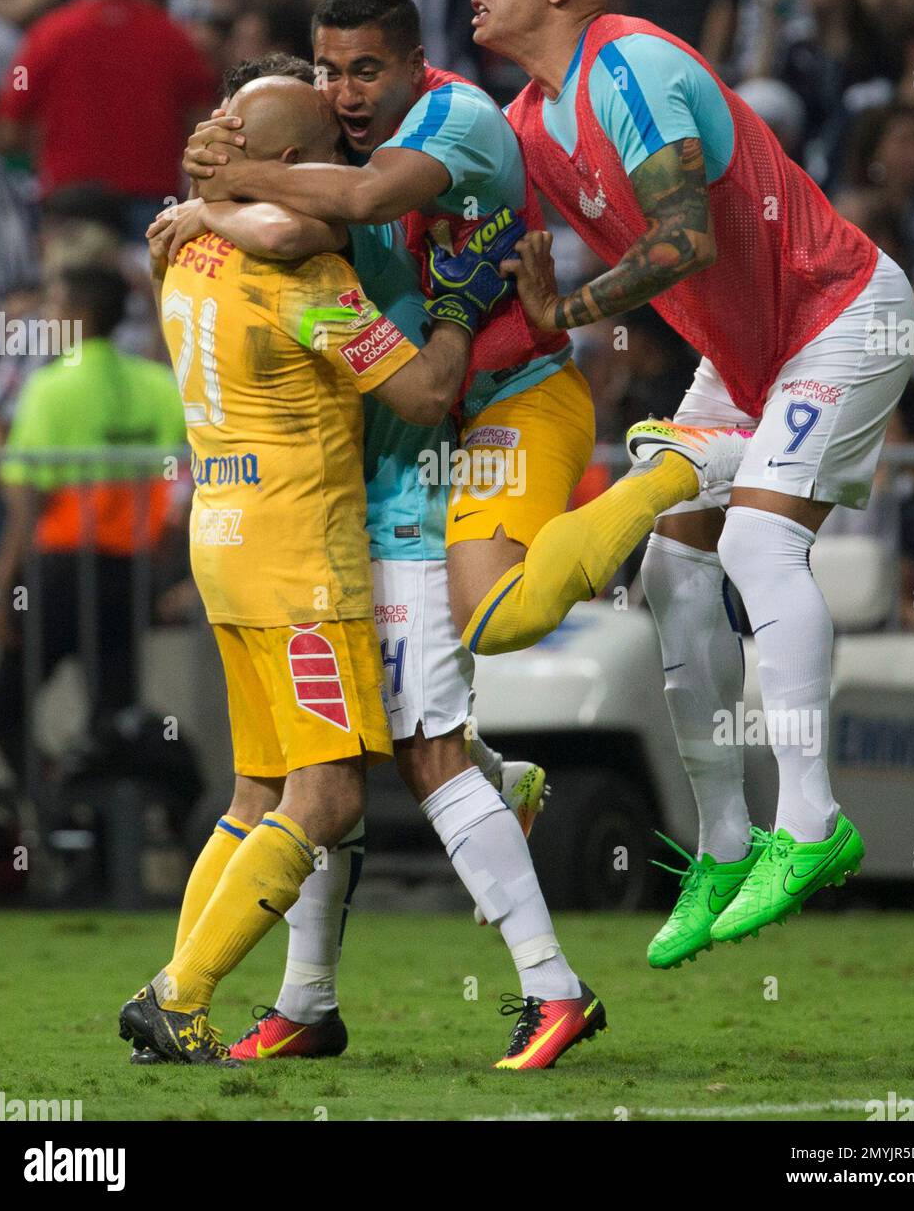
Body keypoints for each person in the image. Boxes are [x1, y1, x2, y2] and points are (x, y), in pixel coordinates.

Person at [467, 0, 914, 963]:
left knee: (760, 543)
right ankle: (721, 840)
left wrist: (566, 317)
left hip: (840, 310)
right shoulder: (533, 117)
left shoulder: (625, 64)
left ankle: (810, 821)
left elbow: (684, 237)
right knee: (671, 575)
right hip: (752, 351)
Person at [150, 57, 608, 1071]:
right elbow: (397, 362)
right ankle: (258, 995)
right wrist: (451, 302)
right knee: (347, 778)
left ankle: (525, 985)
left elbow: (297, 217)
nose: (336, 153)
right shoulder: (302, 264)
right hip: (317, 542)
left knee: (325, 776)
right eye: (312, 142)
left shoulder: (184, 249)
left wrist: (211, 200)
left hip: (291, 532)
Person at [180, 0, 747, 669]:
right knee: (404, 705)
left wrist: (224, 187)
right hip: (430, 422)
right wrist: (214, 191)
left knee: (494, 617)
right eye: (329, 72)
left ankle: (672, 470)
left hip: (515, 395)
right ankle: (495, 777)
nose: (345, 92)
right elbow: (283, 227)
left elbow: (363, 200)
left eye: (367, 70)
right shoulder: (336, 142)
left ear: (414, 65)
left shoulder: (456, 115)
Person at [0, 265, 186, 790]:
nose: (48, 317)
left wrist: (3, 584)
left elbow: (27, 501)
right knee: (113, 721)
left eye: (55, 308)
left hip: (56, 578)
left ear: (78, 316)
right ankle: (108, 839)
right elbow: (184, 490)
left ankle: (59, 813)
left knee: (2, 709)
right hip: (131, 578)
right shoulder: (159, 387)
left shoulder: (50, 389)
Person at [0, 0, 217, 237]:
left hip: (68, 205)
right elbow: (204, 125)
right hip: (154, 207)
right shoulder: (173, 36)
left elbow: (9, 131)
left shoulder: (48, 34)